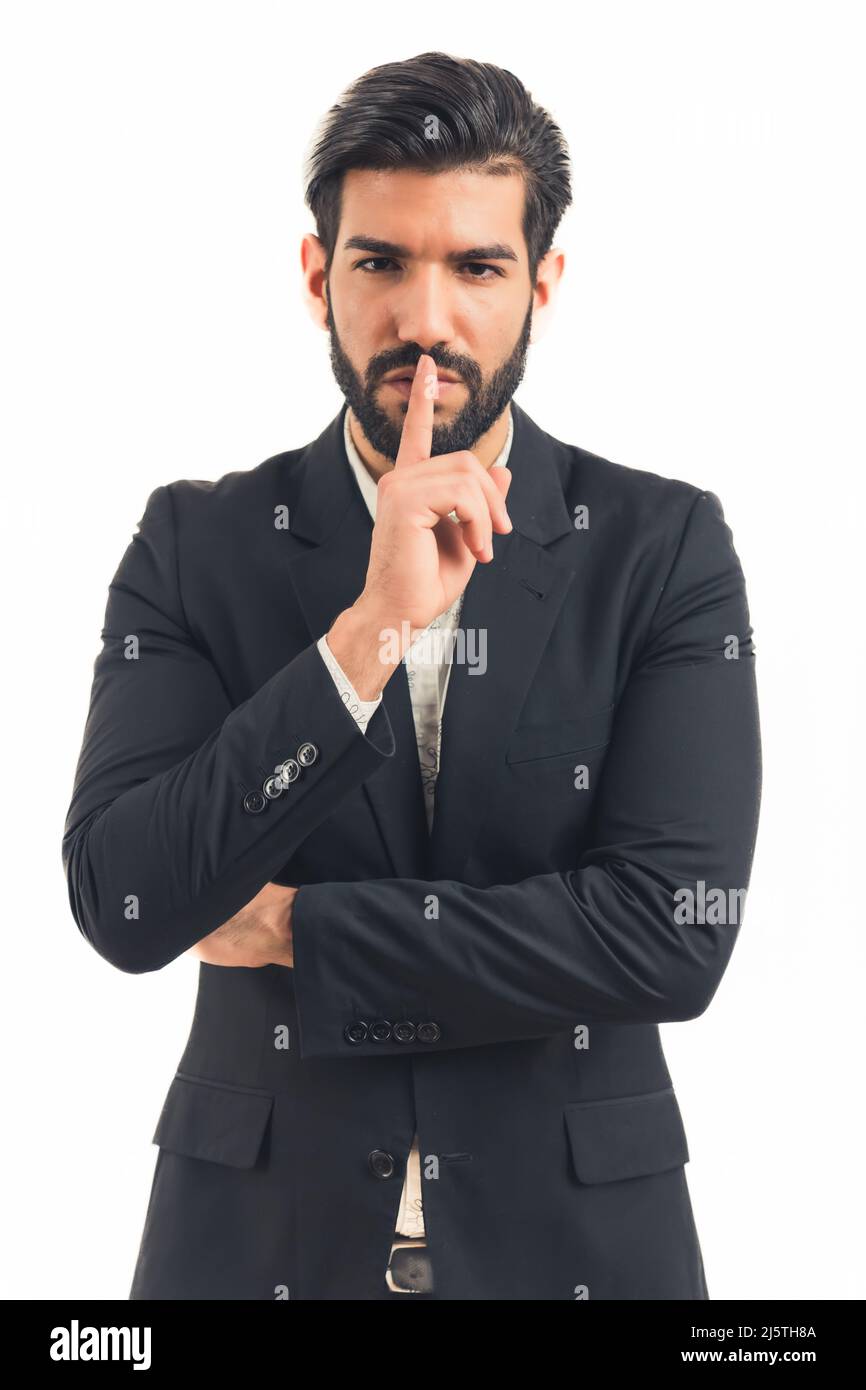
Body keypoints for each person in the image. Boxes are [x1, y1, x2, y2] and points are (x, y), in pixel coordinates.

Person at [61, 51, 761, 1300]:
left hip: (581, 1256)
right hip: (252, 1250)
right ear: (315, 276)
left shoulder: (660, 548)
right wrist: (367, 633)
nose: (423, 321)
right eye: (379, 262)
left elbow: (669, 936)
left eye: (475, 267)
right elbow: (126, 899)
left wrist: (300, 928)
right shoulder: (194, 543)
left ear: (541, 283)